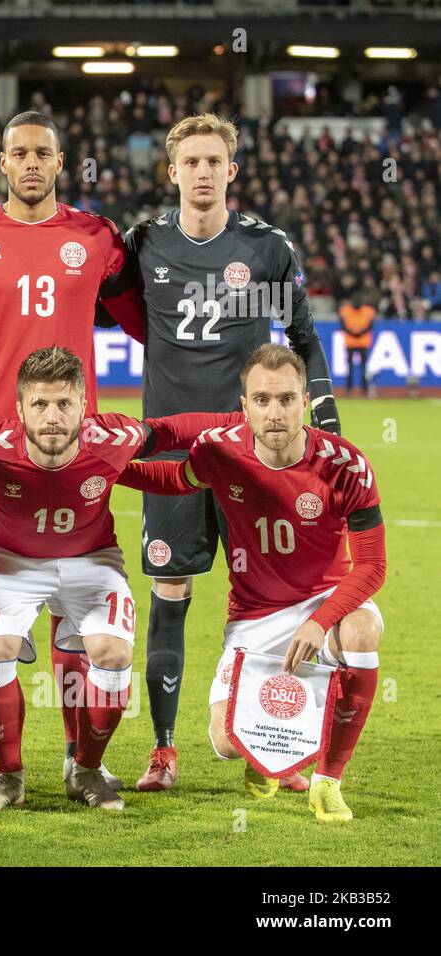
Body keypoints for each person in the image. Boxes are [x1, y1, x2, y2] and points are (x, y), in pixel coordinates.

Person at [0, 110, 145, 793]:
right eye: (20, 153)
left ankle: (80, 759)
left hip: (75, 449)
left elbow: (143, 325)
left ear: (60, 162)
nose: (32, 162)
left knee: (80, 608)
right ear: (3, 163)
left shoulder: (95, 237)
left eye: (44, 152)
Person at [0, 346, 226, 812]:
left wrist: (240, 421)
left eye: (64, 404)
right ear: (19, 408)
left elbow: (172, 429)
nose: (52, 417)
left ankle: (86, 770)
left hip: (91, 559)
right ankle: (8, 775)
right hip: (11, 559)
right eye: (39, 404)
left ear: (82, 404)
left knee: (112, 653)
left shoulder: (113, 436)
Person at [119, 114, 341, 792]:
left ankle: (276, 745)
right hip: (177, 458)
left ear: (232, 170)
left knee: (276, 598)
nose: (204, 173)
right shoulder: (144, 245)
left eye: (215, 161)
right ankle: (163, 750)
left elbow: (301, 335)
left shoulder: (265, 250)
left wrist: (325, 415)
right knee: (171, 590)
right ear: (173, 171)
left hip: (256, 454)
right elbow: (89, 298)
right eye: (192, 162)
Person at [120, 345, 385, 822]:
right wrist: (109, 470)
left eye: (286, 399)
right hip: (254, 616)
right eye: (262, 400)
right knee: (224, 742)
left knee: (363, 633)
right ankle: (275, 754)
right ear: (243, 405)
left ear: (305, 401)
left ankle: (328, 781)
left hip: (325, 600)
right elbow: (177, 479)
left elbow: (372, 567)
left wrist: (320, 622)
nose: (275, 412)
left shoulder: (345, 466)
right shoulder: (222, 449)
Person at [339, 295, 375, 396]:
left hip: (359, 343)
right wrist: (358, 333)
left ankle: (362, 388)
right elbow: (342, 325)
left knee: (362, 367)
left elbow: (370, 326)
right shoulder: (346, 311)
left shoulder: (367, 311)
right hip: (354, 343)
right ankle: (352, 388)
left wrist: (354, 333)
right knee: (352, 367)